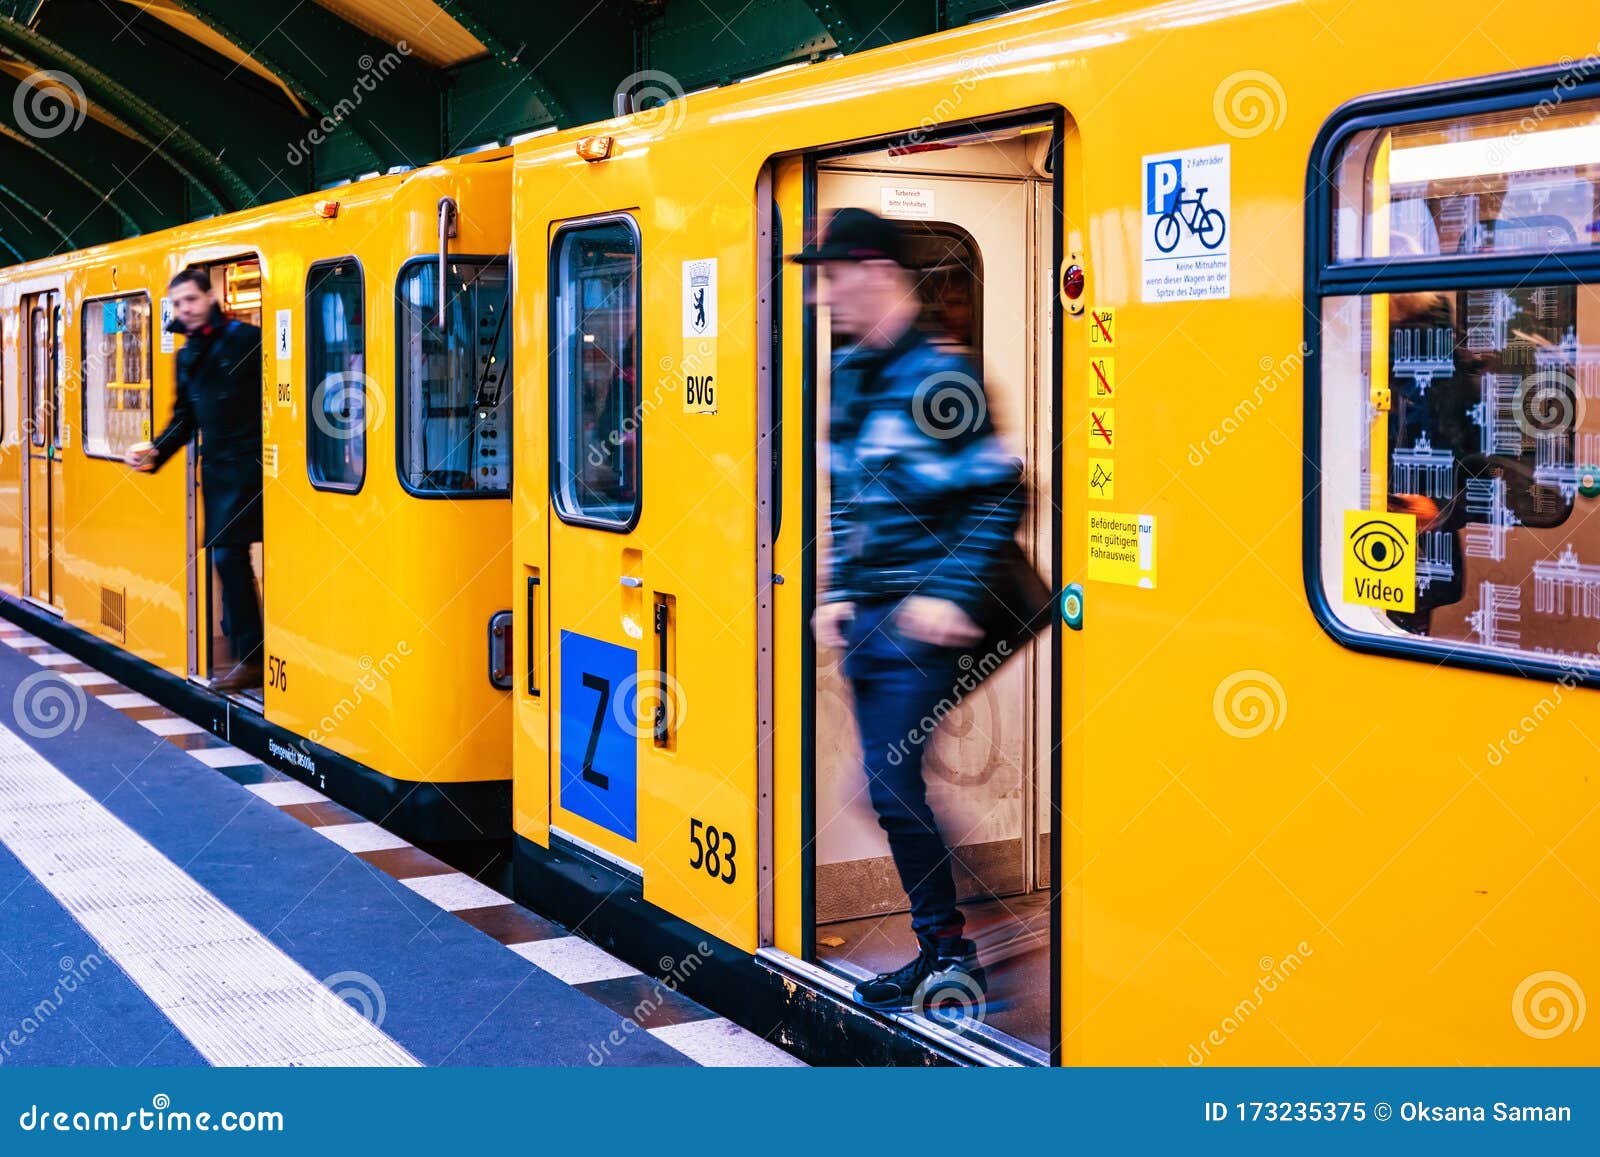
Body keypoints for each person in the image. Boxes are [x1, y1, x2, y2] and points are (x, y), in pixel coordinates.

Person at [794, 208, 1024, 1012]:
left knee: (888, 782)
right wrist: (833, 593)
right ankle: (946, 944)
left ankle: (953, 947)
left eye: (833, 276)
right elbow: (845, 497)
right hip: (870, 617)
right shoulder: (852, 375)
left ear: (878, 273)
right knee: (885, 786)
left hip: (925, 616)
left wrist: (950, 592)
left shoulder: (939, 376)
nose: (826, 295)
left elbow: (1001, 491)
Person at [127, 268, 264, 692]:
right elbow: (184, 417)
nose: (183, 309)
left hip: (256, 465)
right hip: (221, 472)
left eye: (190, 300)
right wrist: (156, 452)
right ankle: (250, 654)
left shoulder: (244, 340)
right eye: (178, 303)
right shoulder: (186, 355)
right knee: (227, 558)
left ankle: (254, 656)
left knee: (230, 557)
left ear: (210, 297)